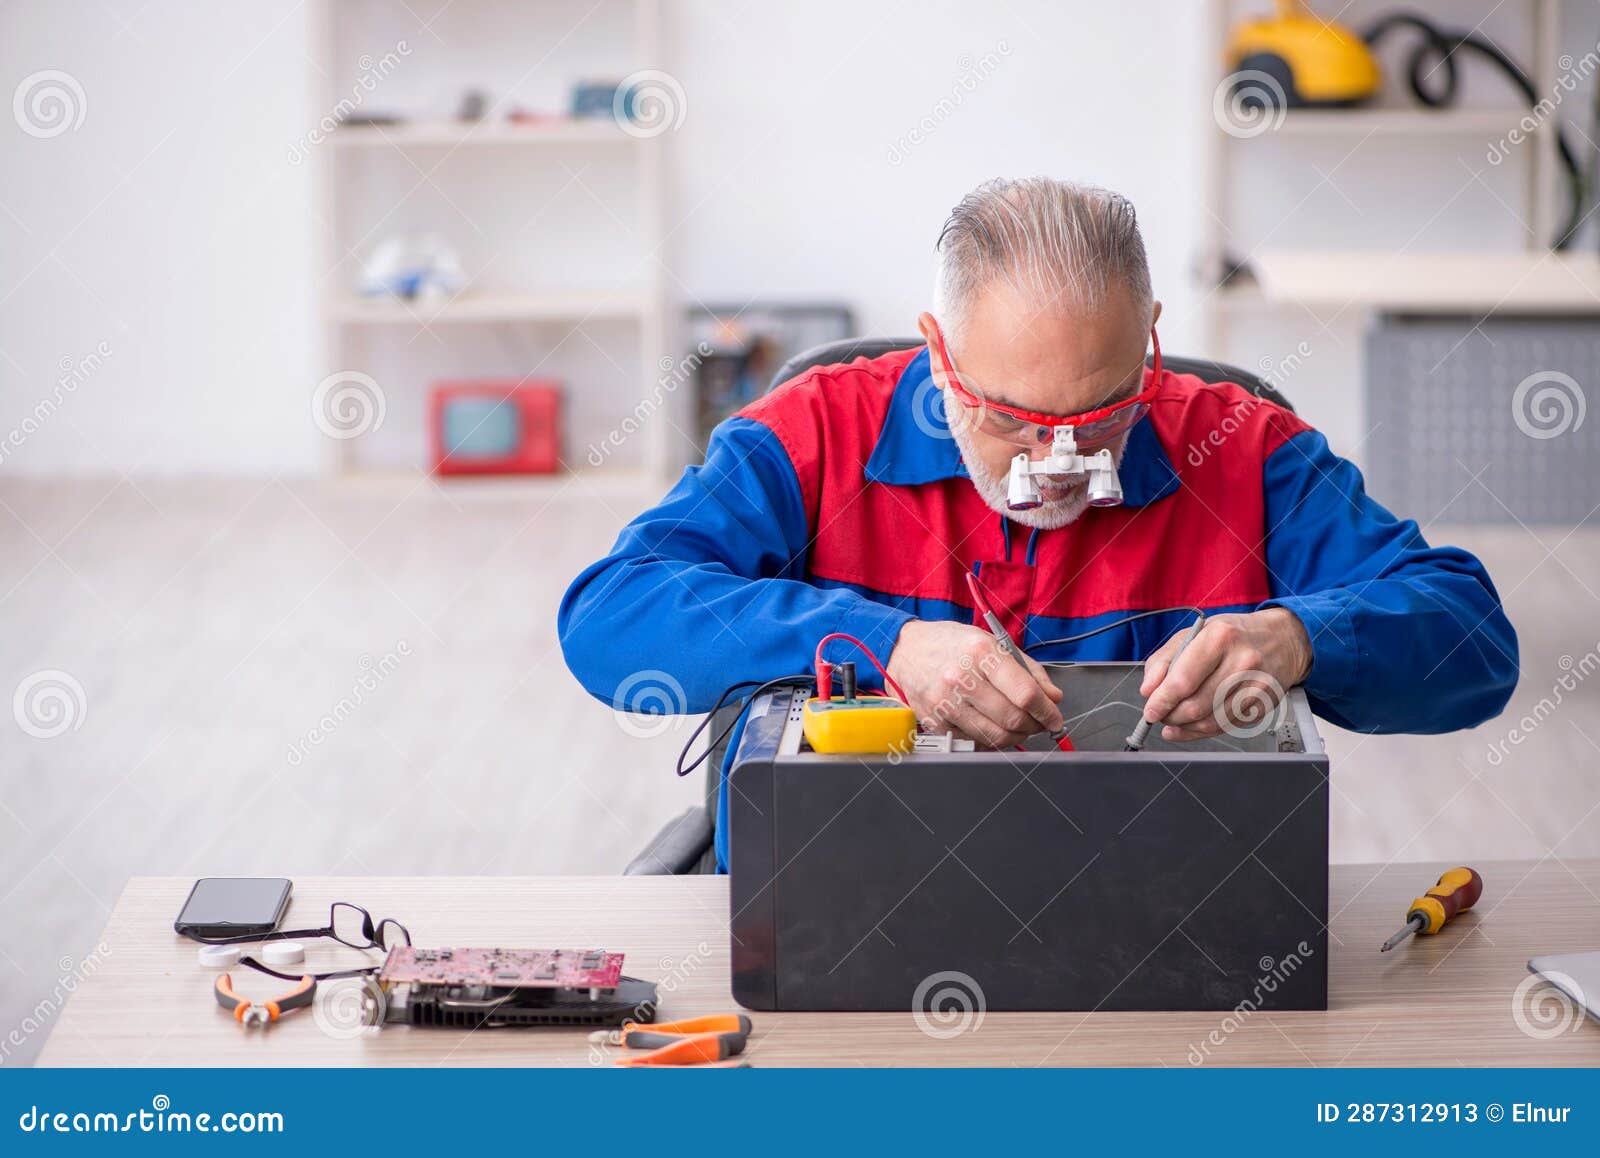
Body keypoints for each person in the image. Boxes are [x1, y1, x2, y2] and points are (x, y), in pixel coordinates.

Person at [560, 177, 1518, 870]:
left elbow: (1474, 643)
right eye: (1012, 417)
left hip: (1158, 922)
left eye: (1101, 411)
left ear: (1148, 339)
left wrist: (1301, 636)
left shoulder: (1242, 449)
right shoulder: (812, 432)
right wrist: (887, 647)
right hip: (846, 911)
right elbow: (611, 613)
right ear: (938, 352)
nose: (1058, 461)